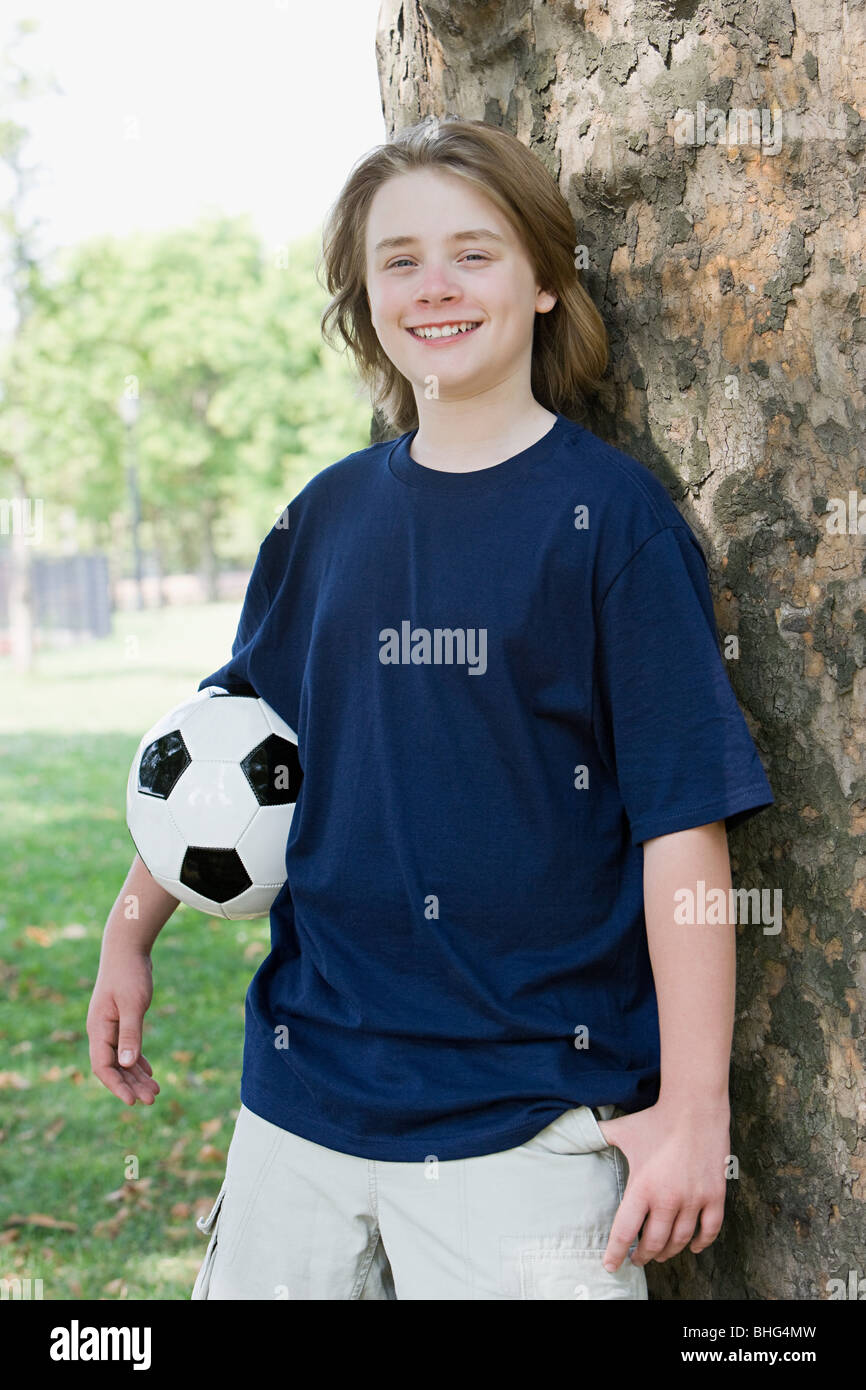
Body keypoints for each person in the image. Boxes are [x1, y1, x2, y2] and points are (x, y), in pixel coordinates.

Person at [87, 116, 775, 1300]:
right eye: (398, 259)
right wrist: (129, 925)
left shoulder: (610, 525)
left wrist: (690, 1105)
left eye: (474, 251)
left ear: (545, 282)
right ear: (364, 295)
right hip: (302, 1106)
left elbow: (682, 828)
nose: (434, 286)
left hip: (525, 1126)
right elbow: (233, 749)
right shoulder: (326, 519)